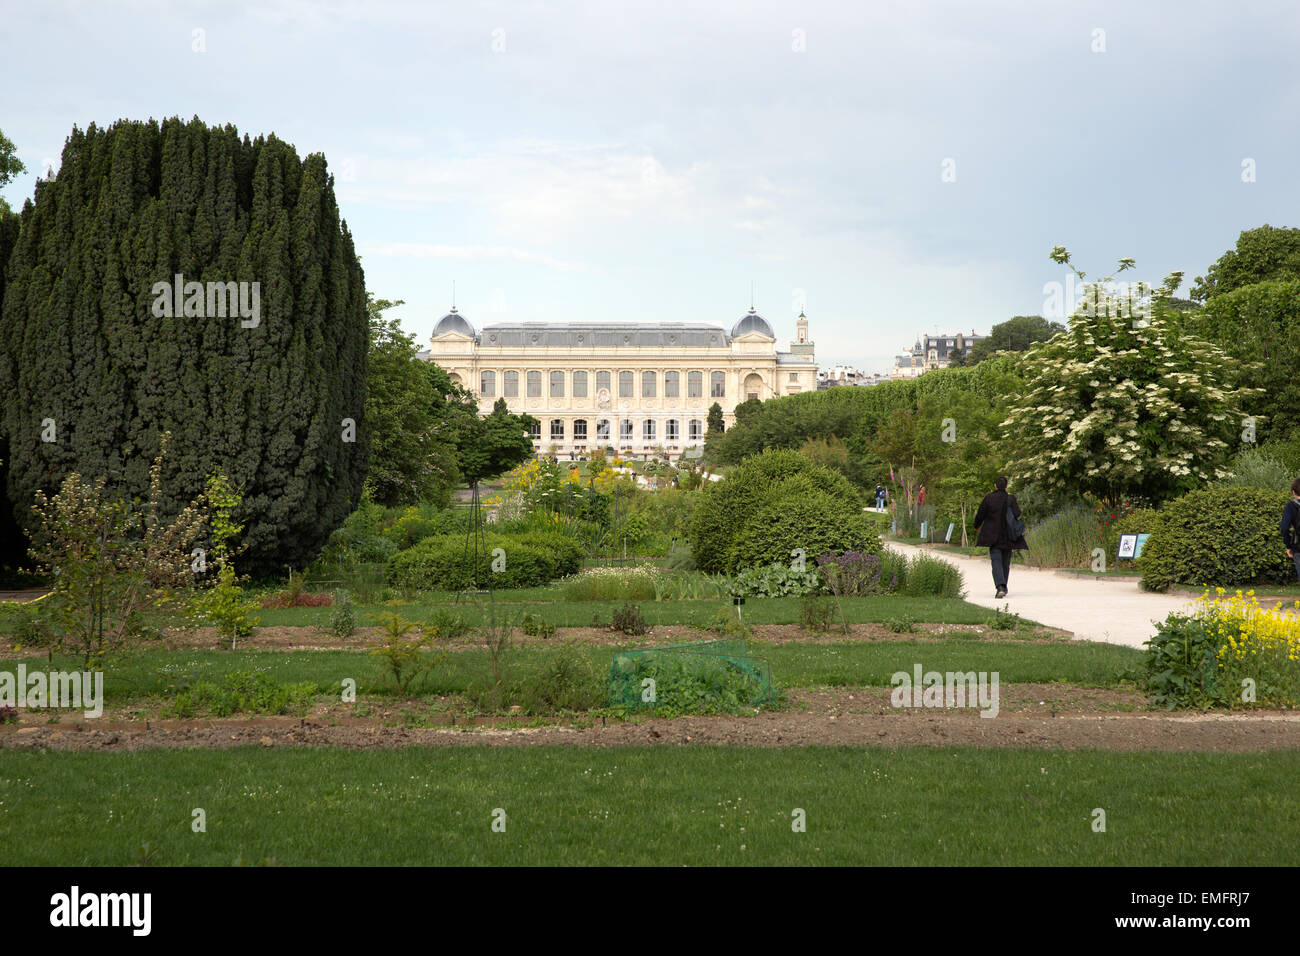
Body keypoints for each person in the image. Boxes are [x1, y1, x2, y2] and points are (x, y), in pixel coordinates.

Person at [972, 476, 1028, 599]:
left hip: (993, 535)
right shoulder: (1010, 499)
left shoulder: (989, 498)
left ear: (995, 486)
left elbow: (981, 513)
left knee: (996, 561)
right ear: (1006, 486)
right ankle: (1003, 586)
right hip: (1008, 535)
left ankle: (1000, 587)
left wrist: (976, 526)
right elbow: (1017, 513)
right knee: (1005, 562)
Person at [1281, 478, 1300, 581]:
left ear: (1293, 492)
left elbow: (1284, 528)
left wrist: (1288, 545)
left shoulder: (1290, 506)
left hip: (1298, 546)